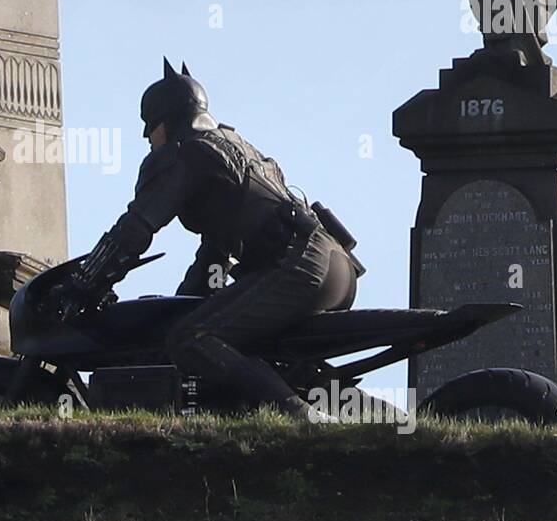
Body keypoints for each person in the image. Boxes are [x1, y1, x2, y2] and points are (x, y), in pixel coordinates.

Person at [69, 59, 357, 416]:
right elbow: (215, 257)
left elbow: (137, 227)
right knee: (250, 350)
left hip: (299, 268)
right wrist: (180, 306)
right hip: (332, 264)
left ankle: (301, 418)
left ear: (166, 122)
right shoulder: (236, 146)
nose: (148, 140)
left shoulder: (186, 152)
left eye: (150, 129)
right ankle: (370, 419)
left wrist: (84, 280)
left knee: (193, 339)